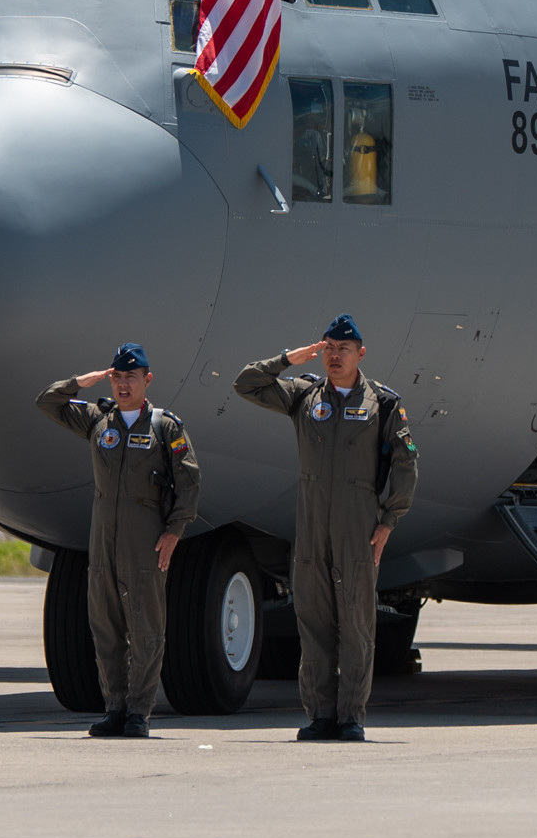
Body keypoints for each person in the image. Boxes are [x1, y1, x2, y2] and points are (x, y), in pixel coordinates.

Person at [233, 314, 418, 742]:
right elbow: (246, 384)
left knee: (355, 622)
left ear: (361, 354)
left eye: (344, 349)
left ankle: (350, 715)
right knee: (313, 619)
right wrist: (286, 359)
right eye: (329, 348)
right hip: (312, 524)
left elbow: (407, 463)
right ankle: (320, 715)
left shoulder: (383, 404)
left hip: (358, 527)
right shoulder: (304, 396)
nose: (335, 356)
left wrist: (389, 520)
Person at [36, 345, 202, 738]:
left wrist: (175, 531)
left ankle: (138, 712)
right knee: (105, 627)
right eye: (117, 377)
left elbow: (190, 483)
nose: (123, 383)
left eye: (131, 376)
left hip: (144, 539)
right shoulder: (98, 421)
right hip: (103, 539)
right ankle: (114, 708)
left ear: (147, 380)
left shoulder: (165, 427)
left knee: (146, 628)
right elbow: (47, 403)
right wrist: (80, 382)